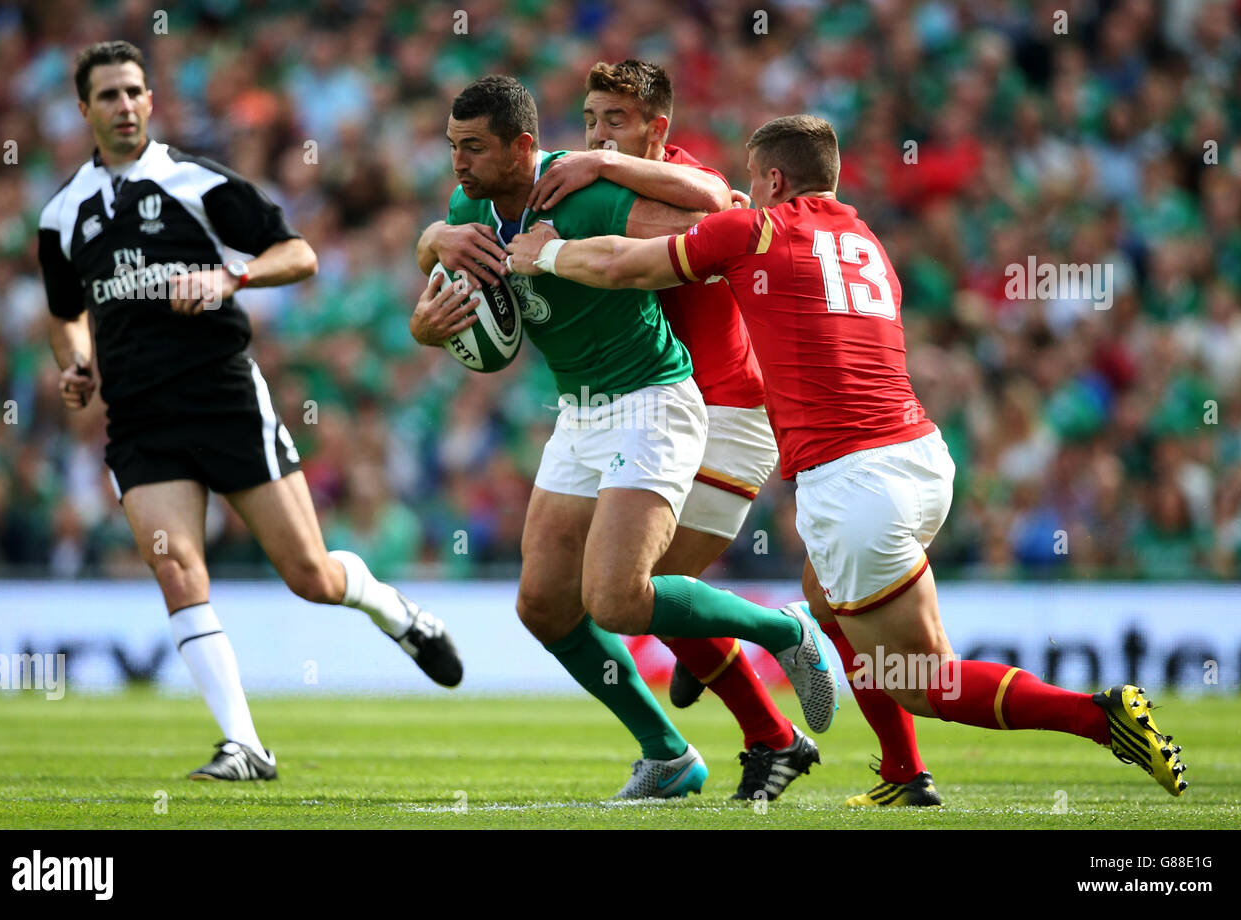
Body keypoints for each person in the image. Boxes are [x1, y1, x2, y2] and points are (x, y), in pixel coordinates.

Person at [504, 114, 1188, 799]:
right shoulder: (865, 240)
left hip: (853, 482)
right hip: (921, 457)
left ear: (774, 179)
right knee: (822, 596)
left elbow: (621, 265)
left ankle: (1099, 717)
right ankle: (902, 774)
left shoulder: (755, 231)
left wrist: (548, 254)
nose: (746, 192)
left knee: (926, 682)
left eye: (753, 180)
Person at [37, 40, 463, 782]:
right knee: (177, 570)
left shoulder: (195, 180)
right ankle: (246, 746)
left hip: (223, 399)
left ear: (150, 100)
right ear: (83, 109)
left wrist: (229, 276)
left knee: (311, 575)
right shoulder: (62, 215)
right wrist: (74, 362)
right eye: (108, 95)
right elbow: (64, 312)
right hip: (138, 419)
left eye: (134, 91)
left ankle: (394, 610)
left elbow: (298, 254)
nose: (125, 105)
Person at [412, 76, 835, 798]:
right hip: (582, 412)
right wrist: (431, 271)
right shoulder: (473, 207)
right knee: (548, 605)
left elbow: (721, 208)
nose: (458, 162)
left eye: (473, 148)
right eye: (453, 146)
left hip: (678, 403)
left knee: (624, 596)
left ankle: (784, 638)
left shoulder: (596, 190)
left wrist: (593, 183)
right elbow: (442, 267)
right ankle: (675, 754)